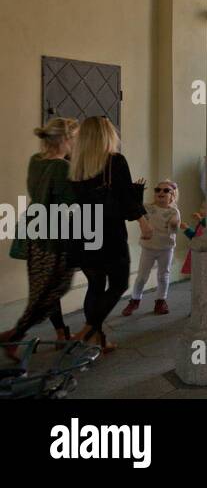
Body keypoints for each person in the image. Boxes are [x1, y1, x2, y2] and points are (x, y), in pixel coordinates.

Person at [1, 117, 80, 359]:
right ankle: (14, 335)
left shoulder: (35, 161)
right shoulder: (62, 168)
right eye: (74, 138)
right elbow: (71, 207)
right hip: (54, 237)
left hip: (34, 231)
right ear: (66, 139)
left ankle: (18, 334)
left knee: (42, 289)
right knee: (53, 289)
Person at [68, 116, 148, 353]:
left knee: (95, 284)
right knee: (119, 283)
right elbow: (125, 200)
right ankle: (88, 330)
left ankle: (97, 338)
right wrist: (144, 222)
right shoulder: (115, 161)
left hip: (81, 233)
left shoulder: (74, 164)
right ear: (107, 135)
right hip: (109, 233)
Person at [122, 179, 181, 315]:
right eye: (157, 190)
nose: (161, 192)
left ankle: (160, 301)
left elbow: (174, 226)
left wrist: (174, 224)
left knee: (163, 275)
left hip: (166, 248)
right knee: (142, 276)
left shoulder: (174, 212)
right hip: (149, 247)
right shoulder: (148, 207)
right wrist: (136, 192)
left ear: (172, 195)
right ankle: (135, 300)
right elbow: (135, 208)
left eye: (166, 190)